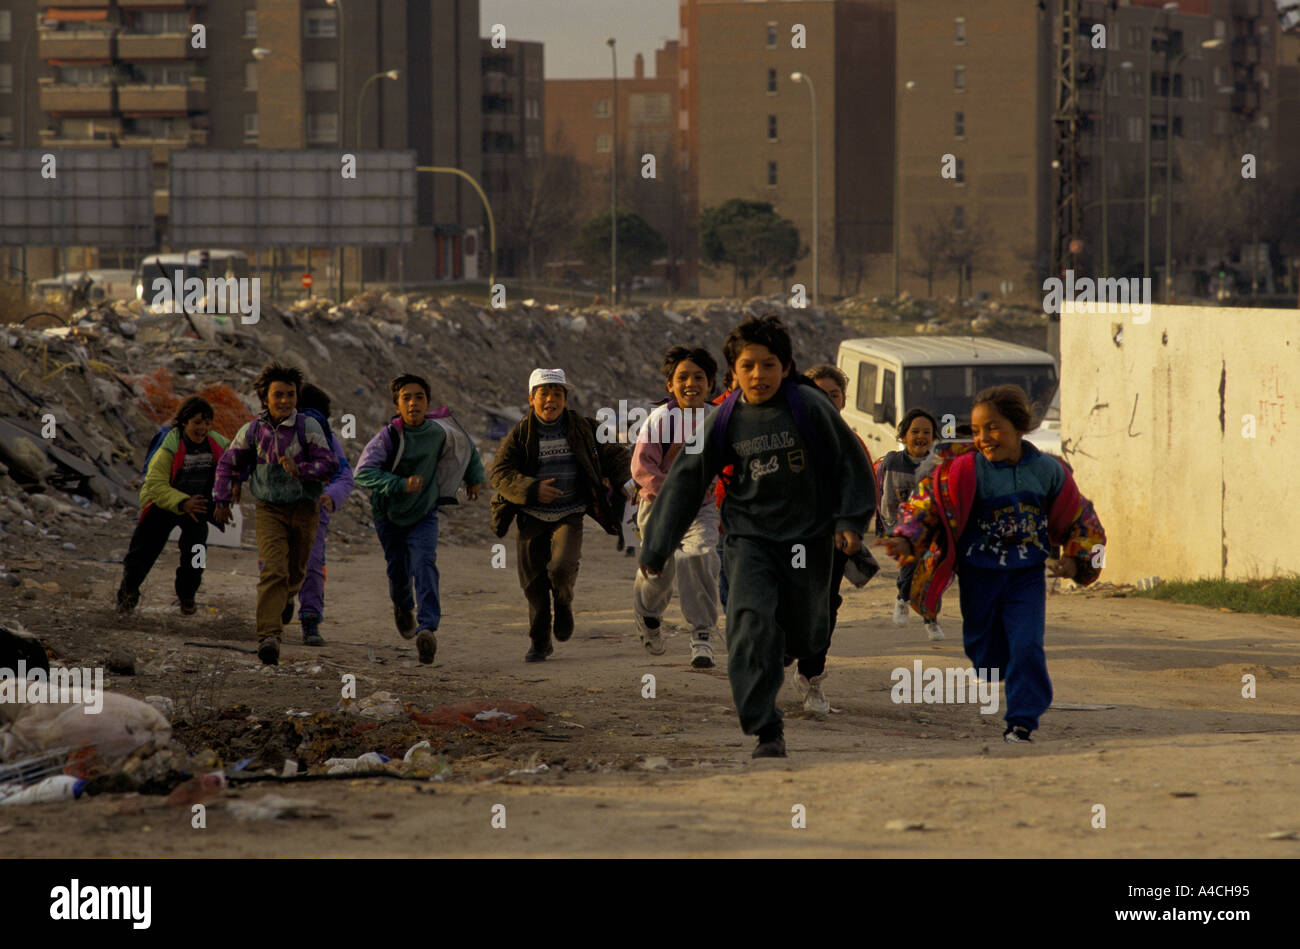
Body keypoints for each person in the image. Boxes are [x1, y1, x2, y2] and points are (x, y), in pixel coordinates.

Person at [640, 317, 874, 758]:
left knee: (808, 633)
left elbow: (849, 461)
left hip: (808, 538)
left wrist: (850, 522)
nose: (758, 376)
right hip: (749, 538)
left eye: (769, 365)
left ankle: (788, 655)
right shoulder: (726, 416)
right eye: (748, 366)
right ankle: (766, 727)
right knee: (749, 627)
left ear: (786, 367)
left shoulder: (809, 406)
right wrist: (656, 545)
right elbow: (687, 479)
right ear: (733, 372)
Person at [881, 384, 1106, 743]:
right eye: (978, 429)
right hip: (979, 575)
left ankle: (1021, 719)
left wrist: (1077, 561)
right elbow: (925, 504)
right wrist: (905, 536)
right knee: (986, 654)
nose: (984, 438)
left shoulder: (1048, 471)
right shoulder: (963, 471)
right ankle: (997, 668)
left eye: (994, 427)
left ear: (1019, 427)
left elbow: (1082, 517)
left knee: (1027, 645)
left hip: (1025, 576)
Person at [489, 368, 631, 662]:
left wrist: (627, 482)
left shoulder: (584, 428)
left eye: (557, 393)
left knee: (562, 568)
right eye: (544, 393)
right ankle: (540, 642)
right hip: (530, 516)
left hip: (569, 514)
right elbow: (500, 473)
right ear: (531, 398)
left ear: (566, 399)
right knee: (533, 584)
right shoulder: (520, 435)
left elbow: (615, 455)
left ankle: (564, 602)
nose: (551, 400)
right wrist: (531, 489)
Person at [354, 373, 485, 664]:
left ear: (427, 402)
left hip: (424, 511)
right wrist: (399, 484)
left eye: (419, 397)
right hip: (389, 514)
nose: (413, 403)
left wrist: (473, 476)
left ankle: (427, 629)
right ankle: (403, 607)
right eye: (406, 398)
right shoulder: (388, 437)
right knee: (398, 569)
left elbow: (465, 446)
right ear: (397, 405)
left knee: (424, 562)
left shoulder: (440, 431)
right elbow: (362, 473)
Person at [213, 362, 338, 666]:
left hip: (305, 508)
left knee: (296, 571)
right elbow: (229, 464)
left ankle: (287, 597)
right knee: (273, 570)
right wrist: (222, 497)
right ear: (264, 398)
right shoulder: (253, 430)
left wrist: (302, 470)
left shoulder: (308, 428)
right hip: (269, 509)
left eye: (290, 395)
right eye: (278, 395)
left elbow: (329, 465)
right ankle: (269, 636)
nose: (284, 401)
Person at [793, 364, 879, 713]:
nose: (827, 400)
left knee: (824, 608)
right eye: (819, 393)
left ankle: (812, 678)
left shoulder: (852, 442)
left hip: (832, 541)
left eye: (834, 394)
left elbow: (864, 491)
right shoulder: (786, 436)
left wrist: (854, 529)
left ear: (843, 401)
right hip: (789, 538)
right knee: (785, 601)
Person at [632, 345, 721, 668]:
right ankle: (648, 615)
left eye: (699, 377)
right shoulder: (660, 420)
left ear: (711, 383)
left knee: (697, 557)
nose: (690, 384)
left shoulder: (717, 420)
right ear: (670, 384)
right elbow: (642, 468)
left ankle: (701, 634)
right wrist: (671, 496)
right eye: (682, 377)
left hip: (703, 506)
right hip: (659, 507)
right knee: (660, 571)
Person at [117, 396, 229, 615]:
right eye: (197, 423)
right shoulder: (169, 447)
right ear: (184, 422)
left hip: (195, 507)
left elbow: (234, 466)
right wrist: (182, 502)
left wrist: (223, 501)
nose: (202, 428)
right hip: (163, 505)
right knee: (141, 554)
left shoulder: (217, 444)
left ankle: (188, 596)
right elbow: (155, 484)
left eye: (207, 423)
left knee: (197, 554)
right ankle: (127, 596)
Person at [283, 383, 354, 647]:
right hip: (277, 507)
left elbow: (344, 475)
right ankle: (282, 601)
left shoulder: (327, 438)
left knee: (311, 565)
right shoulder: (273, 431)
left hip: (314, 510)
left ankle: (310, 619)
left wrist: (331, 496)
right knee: (275, 562)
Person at [876, 408, 941, 637]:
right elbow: (886, 499)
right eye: (915, 431)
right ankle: (902, 599)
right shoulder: (892, 461)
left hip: (932, 529)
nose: (920, 436)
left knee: (932, 576)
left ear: (933, 438)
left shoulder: (938, 466)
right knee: (909, 566)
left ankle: (931, 621)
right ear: (904, 436)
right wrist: (893, 529)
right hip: (902, 528)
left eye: (926, 432)